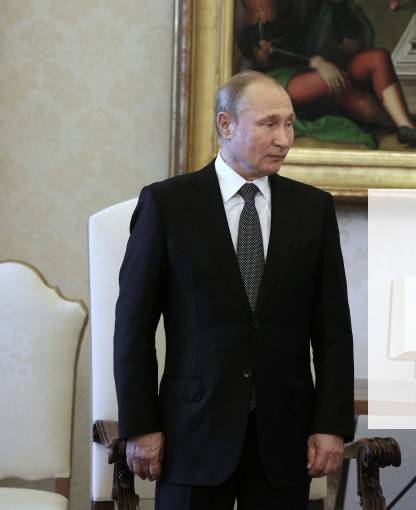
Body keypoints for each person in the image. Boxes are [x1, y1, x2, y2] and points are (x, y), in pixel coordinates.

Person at [114, 70, 355, 509]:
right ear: (226, 125)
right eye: (269, 124)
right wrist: (141, 425)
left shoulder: (312, 209)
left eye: (289, 124)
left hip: (284, 436)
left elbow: (333, 330)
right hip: (191, 431)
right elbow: (133, 326)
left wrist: (331, 425)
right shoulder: (167, 205)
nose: (284, 138)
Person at [236, 0, 416, 151]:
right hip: (278, 77)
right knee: (332, 82)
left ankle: (407, 127)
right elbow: (263, 51)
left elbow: (353, 46)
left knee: (376, 58)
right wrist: (315, 61)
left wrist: (339, 5)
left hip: (327, 68)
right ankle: (405, 127)